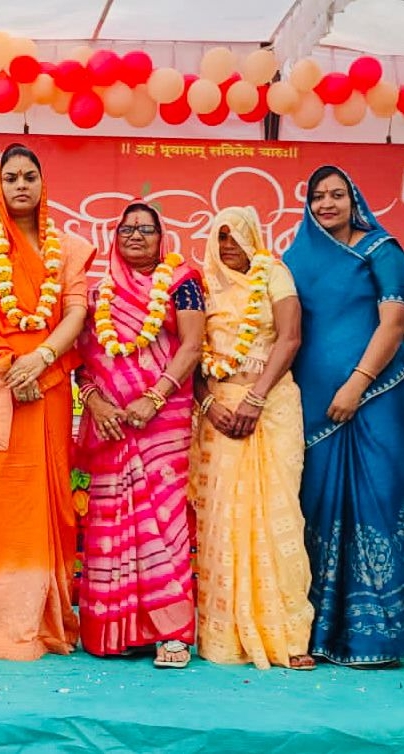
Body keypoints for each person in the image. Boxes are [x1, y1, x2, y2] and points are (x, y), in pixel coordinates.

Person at [0, 143, 94, 661]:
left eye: (30, 176)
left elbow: (77, 311)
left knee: (49, 502)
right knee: (2, 500)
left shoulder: (68, 247)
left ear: (42, 183)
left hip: (48, 386)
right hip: (1, 387)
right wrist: (11, 367)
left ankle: (45, 621)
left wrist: (44, 357)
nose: (21, 185)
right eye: (11, 178)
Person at [283, 166, 404, 668]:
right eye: (317, 196)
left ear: (355, 200)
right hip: (311, 408)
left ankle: (378, 637)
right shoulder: (296, 258)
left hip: (373, 400)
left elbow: (394, 323)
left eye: (337, 194)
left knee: (377, 499)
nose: (327, 203)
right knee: (316, 505)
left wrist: (355, 385)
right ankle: (317, 632)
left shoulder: (382, 250)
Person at [75, 201, 204, 669]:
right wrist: (95, 402)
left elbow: (193, 345)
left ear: (160, 236)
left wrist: (154, 397)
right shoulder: (98, 296)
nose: (135, 236)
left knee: (164, 522)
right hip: (112, 423)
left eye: (145, 229)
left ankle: (170, 631)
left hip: (161, 422)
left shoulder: (182, 282)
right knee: (112, 519)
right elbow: (82, 364)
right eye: (127, 229)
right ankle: (113, 629)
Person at [190, 206, 315, 670]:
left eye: (237, 236)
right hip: (219, 412)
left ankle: (287, 634)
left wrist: (256, 399)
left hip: (272, 405)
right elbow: (191, 355)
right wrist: (209, 406)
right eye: (220, 237)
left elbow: (290, 338)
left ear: (253, 237)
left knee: (278, 511)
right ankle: (225, 637)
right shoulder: (204, 286)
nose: (229, 246)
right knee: (223, 519)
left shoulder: (275, 275)